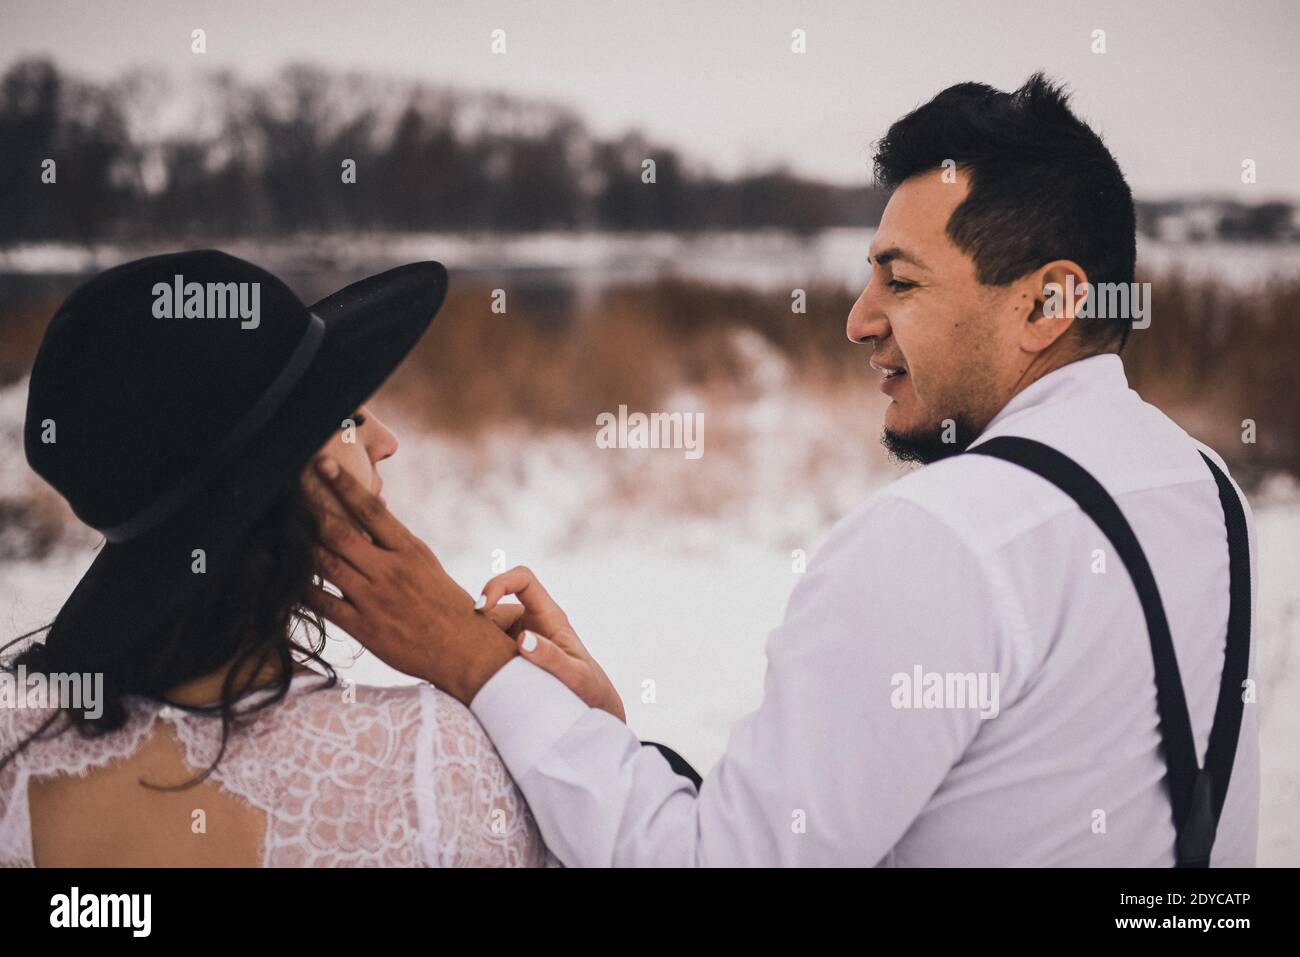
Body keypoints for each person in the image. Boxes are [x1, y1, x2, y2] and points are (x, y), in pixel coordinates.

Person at [306, 74, 1261, 866]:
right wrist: (602, 740)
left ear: (1049, 301)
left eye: (902, 279)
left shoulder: (946, 537)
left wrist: (477, 667)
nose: (858, 318)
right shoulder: (1202, 487)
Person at [0, 250, 551, 867]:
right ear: (282, 477)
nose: (386, 441)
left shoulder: (17, 753)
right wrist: (561, 714)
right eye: (344, 413)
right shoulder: (430, 765)